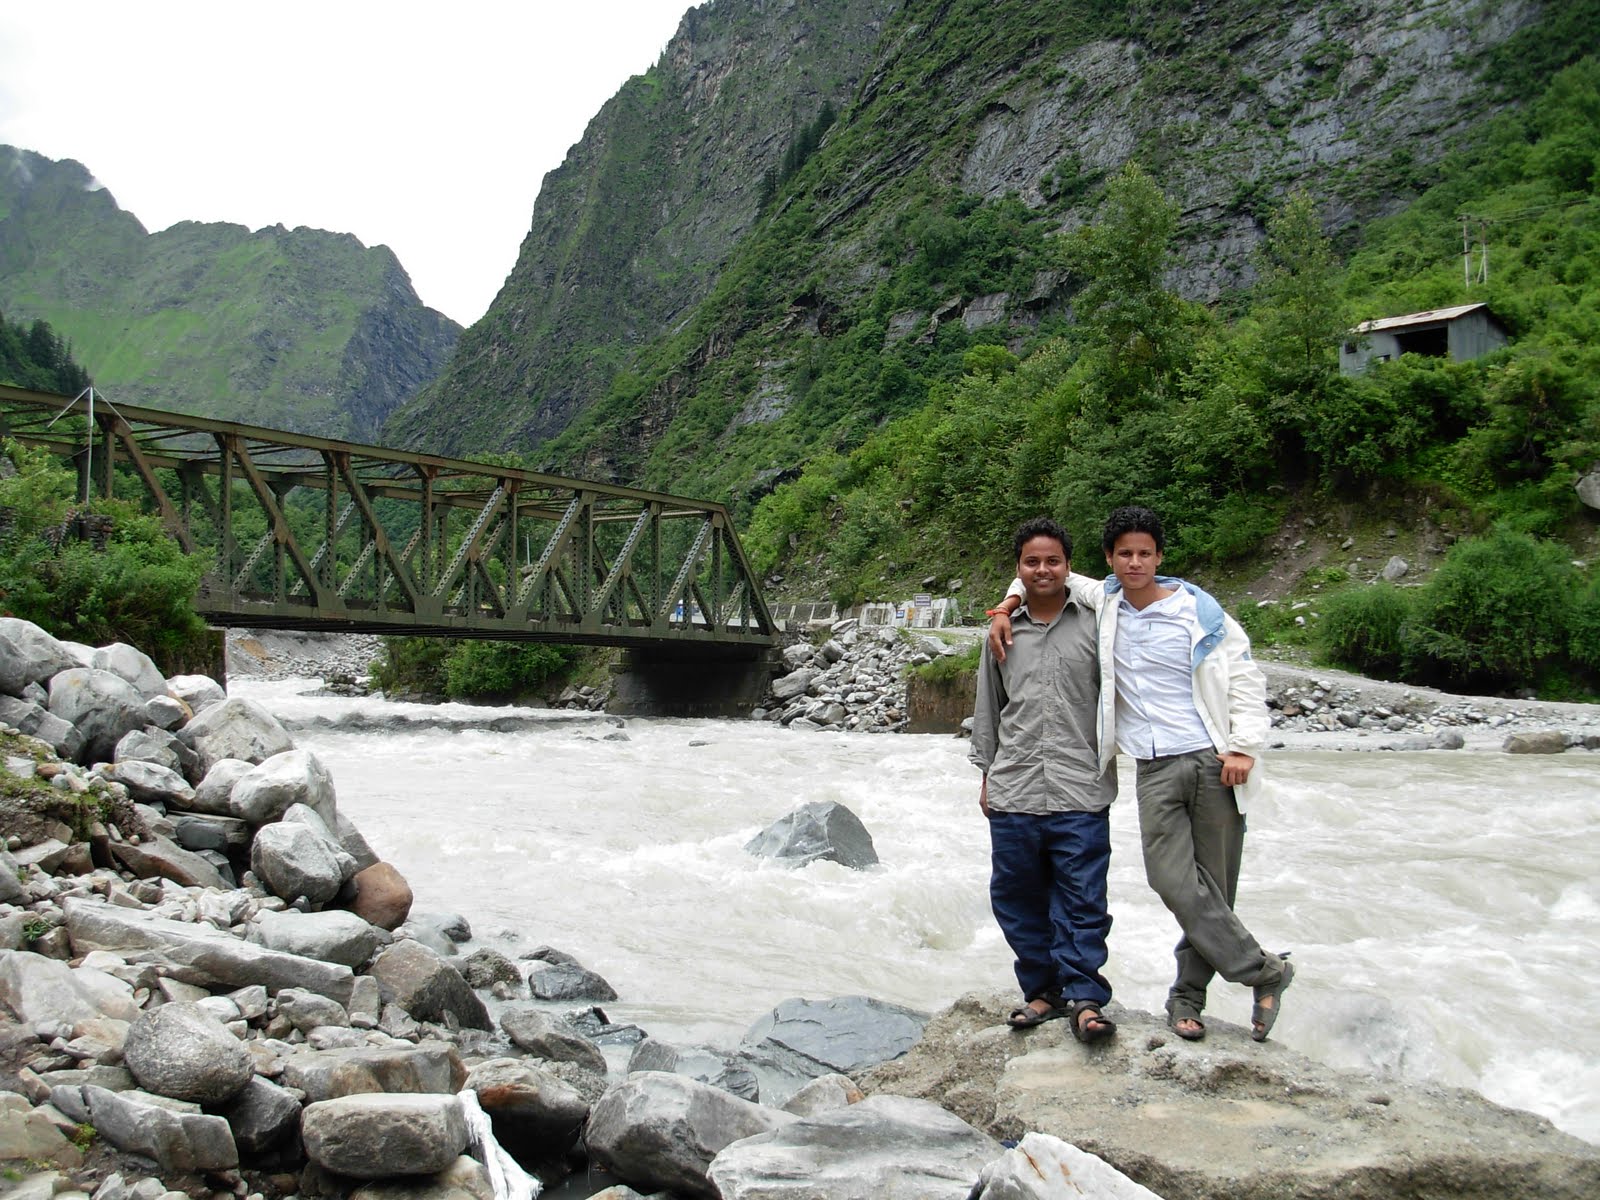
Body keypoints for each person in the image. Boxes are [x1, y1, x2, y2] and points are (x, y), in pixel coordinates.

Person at [987, 506, 1294, 1043]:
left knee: (1212, 890)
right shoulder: (1105, 606)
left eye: (1144, 552)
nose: (1134, 562)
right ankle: (1264, 971)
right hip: (1151, 764)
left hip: (1213, 759)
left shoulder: (1200, 611)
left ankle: (1187, 997)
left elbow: (1243, 675)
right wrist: (1007, 605)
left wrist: (1244, 747)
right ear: (1108, 560)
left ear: (1160, 556)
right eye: (1124, 553)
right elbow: (1041, 572)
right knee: (1172, 882)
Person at [969, 516, 1117, 1042]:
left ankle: (1083, 997)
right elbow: (989, 708)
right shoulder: (1001, 634)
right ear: (1018, 569)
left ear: (1069, 567)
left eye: (1053, 560)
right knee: (1016, 895)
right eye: (1032, 561)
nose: (1043, 569)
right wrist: (986, 775)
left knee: (1082, 897)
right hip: (1014, 786)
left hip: (1080, 786)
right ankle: (1041, 990)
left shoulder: (1100, 625)